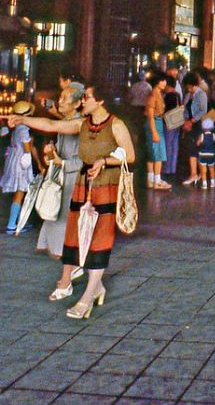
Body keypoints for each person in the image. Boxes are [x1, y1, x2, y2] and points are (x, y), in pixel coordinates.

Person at [9, 84, 135, 316]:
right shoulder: (82, 124)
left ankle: (87, 296)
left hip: (105, 186)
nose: (82, 101)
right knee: (76, 236)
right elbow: (52, 124)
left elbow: (130, 154)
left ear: (100, 102)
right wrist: (22, 120)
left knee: (99, 238)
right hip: (82, 185)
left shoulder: (116, 125)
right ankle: (94, 287)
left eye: (87, 97)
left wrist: (104, 161)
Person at [36, 82, 85, 259]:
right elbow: (59, 146)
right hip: (61, 174)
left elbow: (85, 159)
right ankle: (54, 246)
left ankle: (62, 250)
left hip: (73, 177)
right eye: (60, 98)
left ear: (78, 103)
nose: (60, 102)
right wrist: (51, 150)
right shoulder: (65, 122)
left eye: (65, 99)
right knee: (54, 209)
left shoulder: (81, 125)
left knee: (64, 213)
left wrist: (63, 163)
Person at [1, 100, 43, 234]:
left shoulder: (16, 128)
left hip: (13, 160)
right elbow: (28, 148)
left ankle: (18, 221)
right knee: (20, 193)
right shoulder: (24, 129)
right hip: (21, 163)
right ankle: (12, 224)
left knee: (19, 193)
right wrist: (34, 162)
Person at [181, 71, 209, 186]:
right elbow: (185, 109)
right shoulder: (188, 95)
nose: (188, 89)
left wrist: (192, 121)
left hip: (198, 125)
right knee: (191, 148)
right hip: (190, 125)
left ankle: (200, 175)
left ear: (193, 84)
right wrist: (186, 121)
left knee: (197, 148)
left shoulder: (201, 95)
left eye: (189, 86)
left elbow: (203, 110)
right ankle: (195, 174)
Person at [145, 72, 170, 190]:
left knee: (152, 153)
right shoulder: (154, 95)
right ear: (157, 82)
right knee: (158, 153)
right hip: (154, 123)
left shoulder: (158, 93)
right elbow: (150, 115)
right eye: (163, 80)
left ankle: (151, 180)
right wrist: (154, 131)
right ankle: (157, 181)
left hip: (156, 122)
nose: (165, 83)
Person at [162, 74, 181, 180]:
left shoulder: (168, 96)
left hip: (169, 123)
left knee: (168, 145)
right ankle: (172, 168)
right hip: (177, 122)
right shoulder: (177, 94)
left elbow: (164, 110)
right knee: (175, 145)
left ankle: (167, 168)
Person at [196, 116, 215, 189]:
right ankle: (212, 182)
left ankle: (204, 183)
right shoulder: (213, 136)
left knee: (203, 170)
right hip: (211, 154)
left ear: (203, 127)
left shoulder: (201, 135)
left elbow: (198, 143)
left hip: (202, 154)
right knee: (212, 169)